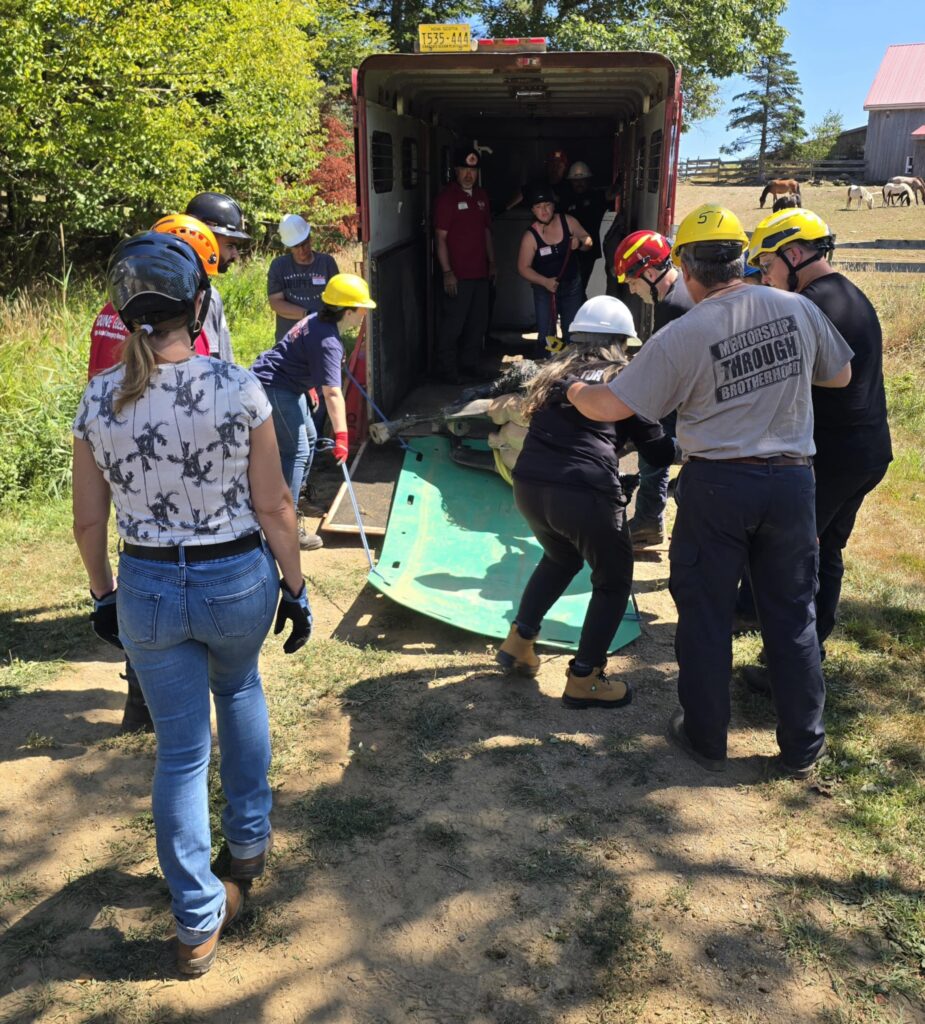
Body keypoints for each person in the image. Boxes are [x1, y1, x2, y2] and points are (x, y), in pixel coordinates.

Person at [72, 231, 310, 976]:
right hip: (234, 577)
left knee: (178, 755)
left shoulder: (98, 400)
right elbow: (274, 506)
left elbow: (87, 520)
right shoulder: (238, 387)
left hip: (145, 584)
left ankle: (197, 920)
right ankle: (247, 842)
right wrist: (296, 588)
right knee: (239, 690)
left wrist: (103, 594)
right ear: (199, 306)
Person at [563, 204, 854, 778]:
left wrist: (571, 385)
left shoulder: (684, 332)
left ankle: (705, 737)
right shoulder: (796, 307)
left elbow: (610, 405)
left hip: (718, 485)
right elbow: (840, 374)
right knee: (791, 615)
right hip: (794, 481)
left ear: (686, 268)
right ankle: (803, 748)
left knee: (705, 613)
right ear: (741, 258)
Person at [496, 295, 674, 707]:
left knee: (560, 558)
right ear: (620, 342)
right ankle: (585, 678)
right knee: (612, 581)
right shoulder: (623, 378)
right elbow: (658, 452)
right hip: (583, 490)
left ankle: (520, 640)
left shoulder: (554, 374)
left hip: (529, 484)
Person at [86, 214, 221, 733]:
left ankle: (141, 704)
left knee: (144, 574)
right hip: (173, 461)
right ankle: (162, 702)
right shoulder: (172, 323)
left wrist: (102, 591)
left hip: (125, 456)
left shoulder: (115, 311)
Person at [742, 208, 892, 673]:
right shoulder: (846, 292)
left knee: (791, 558)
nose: (765, 276)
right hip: (868, 451)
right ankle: (810, 647)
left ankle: (788, 665)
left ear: (794, 253)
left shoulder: (809, 306)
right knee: (826, 548)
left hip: (833, 454)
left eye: (767, 265)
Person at [250, 273, 376, 550]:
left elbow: (296, 352)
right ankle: (283, 527)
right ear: (348, 309)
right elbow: (333, 393)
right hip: (274, 387)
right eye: (362, 308)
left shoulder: (317, 319)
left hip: (287, 385)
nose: (364, 313)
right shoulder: (329, 341)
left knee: (306, 442)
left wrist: (308, 387)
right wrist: (342, 436)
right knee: (295, 451)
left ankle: (294, 502)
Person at [612, 230, 695, 547]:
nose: (633, 291)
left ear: (648, 272)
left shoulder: (674, 304)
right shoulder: (680, 293)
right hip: (688, 392)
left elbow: (662, 369)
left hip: (692, 400)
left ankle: (650, 519)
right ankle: (648, 520)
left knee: (652, 439)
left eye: (632, 282)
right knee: (652, 436)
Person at [433, 146, 495, 383]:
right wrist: (447, 272)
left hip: (480, 272)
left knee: (476, 323)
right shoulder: (447, 199)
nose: (469, 174)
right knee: (453, 325)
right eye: (464, 170)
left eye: (473, 170)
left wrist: (493, 262)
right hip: (458, 275)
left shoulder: (481, 197)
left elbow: (486, 232)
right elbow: (440, 238)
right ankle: (447, 370)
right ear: (456, 171)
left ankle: (470, 366)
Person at [517, 186, 593, 359]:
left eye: (547, 205)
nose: (543, 210)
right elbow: (522, 267)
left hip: (571, 286)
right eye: (538, 206)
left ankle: (571, 370)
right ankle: (546, 368)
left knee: (572, 331)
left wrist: (580, 244)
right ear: (532, 210)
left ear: (553, 206)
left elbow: (588, 240)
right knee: (546, 334)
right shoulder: (530, 236)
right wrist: (544, 282)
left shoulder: (568, 221)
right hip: (545, 291)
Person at [185, 191, 253, 362]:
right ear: (203, 239)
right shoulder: (204, 296)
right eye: (230, 245)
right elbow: (214, 362)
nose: (236, 255)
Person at [267, 214, 340, 343]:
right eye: (296, 246)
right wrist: (309, 314)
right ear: (288, 246)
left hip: (323, 335)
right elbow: (276, 303)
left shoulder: (327, 263)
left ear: (310, 238)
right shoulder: (279, 266)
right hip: (290, 340)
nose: (302, 250)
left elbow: (338, 300)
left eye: (304, 244)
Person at [563, 161, 608, 292]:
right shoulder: (565, 199)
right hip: (567, 250)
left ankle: (578, 310)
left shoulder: (597, 197)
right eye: (575, 180)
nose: (579, 183)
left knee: (579, 288)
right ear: (570, 181)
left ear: (588, 180)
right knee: (571, 288)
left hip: (588, 251)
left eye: (582, 180)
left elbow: (613, 192)